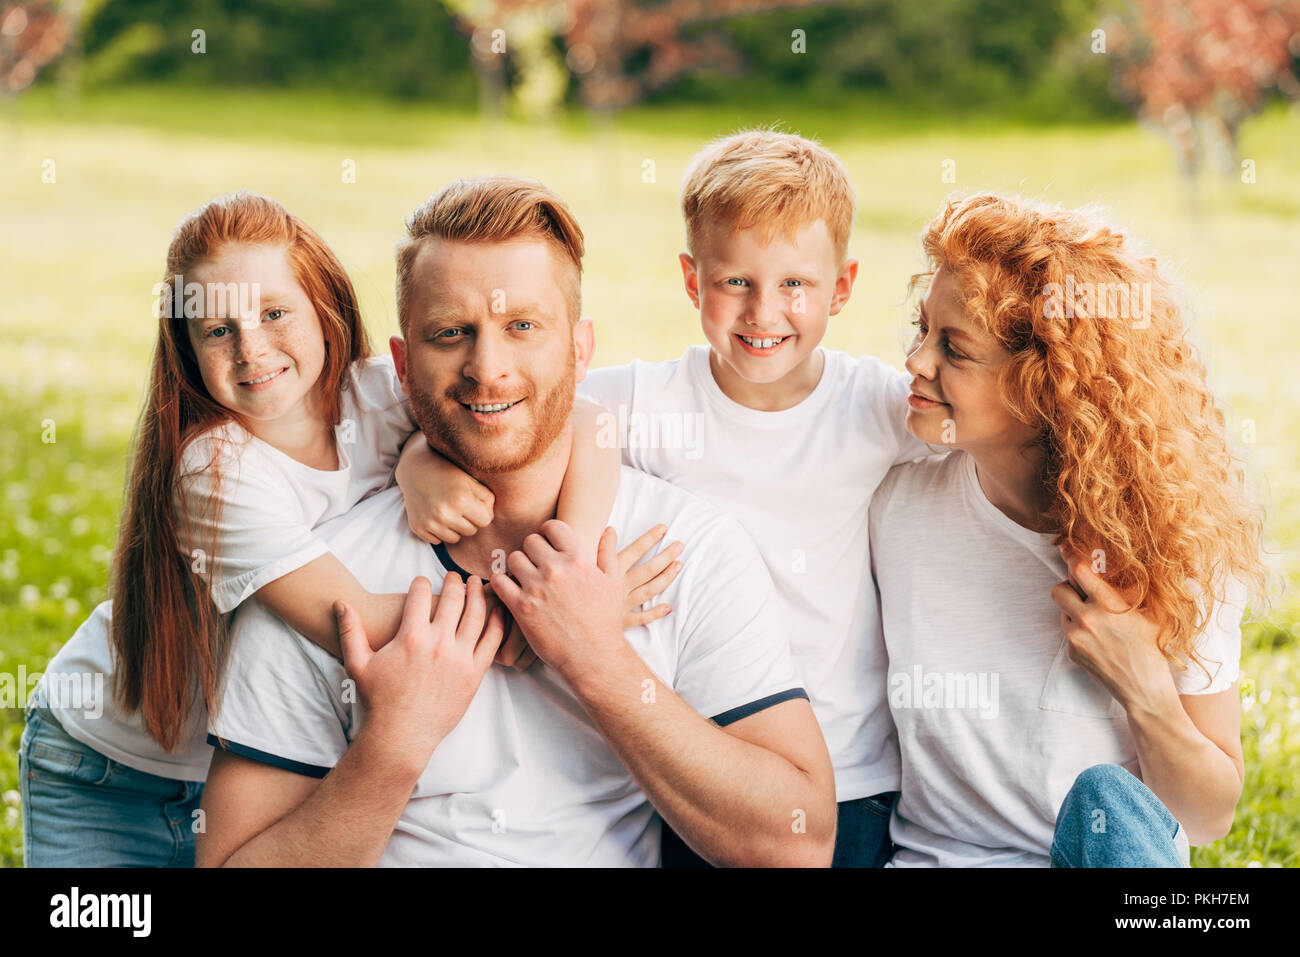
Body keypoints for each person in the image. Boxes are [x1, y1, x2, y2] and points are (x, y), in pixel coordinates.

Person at [196, 175, 838, 867]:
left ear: (582, 348)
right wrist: (394, 745)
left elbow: (795, 844)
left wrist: (595, 655)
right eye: (452, 334)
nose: (488, 369)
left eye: (523, 327)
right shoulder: (316, 581)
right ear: (404, 366)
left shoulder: (683, 549)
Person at [21, 191, 662, 867]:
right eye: (217, 331)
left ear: (323, 308)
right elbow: (356, 622)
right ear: (186, 348)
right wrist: (563, 614)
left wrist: (573, 560)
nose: (251, 349)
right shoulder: (213, 470)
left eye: (274, 313)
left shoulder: (376, 393)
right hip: (114, 770)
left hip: (255, 771)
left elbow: (584, 419)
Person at [398, 129, 931, 867]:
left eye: (795, 286)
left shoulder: (871, 404)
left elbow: (981, 417)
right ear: (692, 281)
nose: (763, 313)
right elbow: (537, 412)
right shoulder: (653, 396)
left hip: (845, 771)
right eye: (735, 282)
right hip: (687, 741)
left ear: (841, 288)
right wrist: (420, 461)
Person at [869, 192, 1266, 867]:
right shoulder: (897, 496)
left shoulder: (1173, 546)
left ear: (1046, 385)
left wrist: (1144, 686)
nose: (915, 360)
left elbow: (1206, 816)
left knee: (1105, 798)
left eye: (954, 349)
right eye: (920, 327)